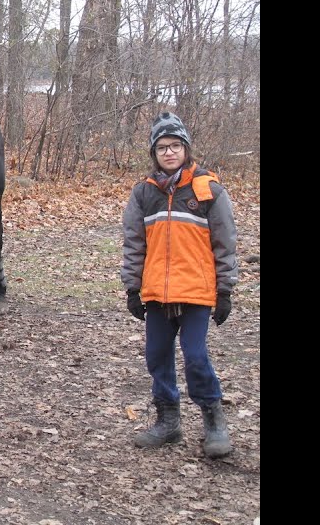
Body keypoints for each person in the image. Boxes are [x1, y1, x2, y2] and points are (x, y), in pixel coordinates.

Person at [121, 112, 238, 458]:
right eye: (162, 148)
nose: (169, 153)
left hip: (196, 292)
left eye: (175, 146)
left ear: (186, 149)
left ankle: (214, 421)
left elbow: (225, 242)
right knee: (157, 357)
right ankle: (168, 421)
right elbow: (133, 242)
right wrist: (132, 288)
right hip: (157, 292)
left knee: (196, 355)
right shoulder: (144, 192)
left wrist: (225, 290)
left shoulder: (208, 190)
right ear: (153, 153)